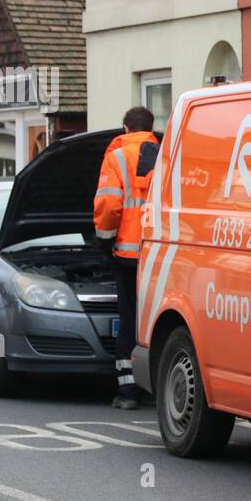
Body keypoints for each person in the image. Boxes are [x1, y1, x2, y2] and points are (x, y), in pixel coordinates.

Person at [93, 107, 161, 410]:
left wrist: (104, 242)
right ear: (151, 128)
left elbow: (109, 205)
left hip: (128, 254)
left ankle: (128, 391)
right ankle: (155, 388)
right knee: (157, 321)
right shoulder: (168, 155)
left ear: (124, 128)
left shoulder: (117, 157)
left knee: (129, 318)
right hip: (161, 255)